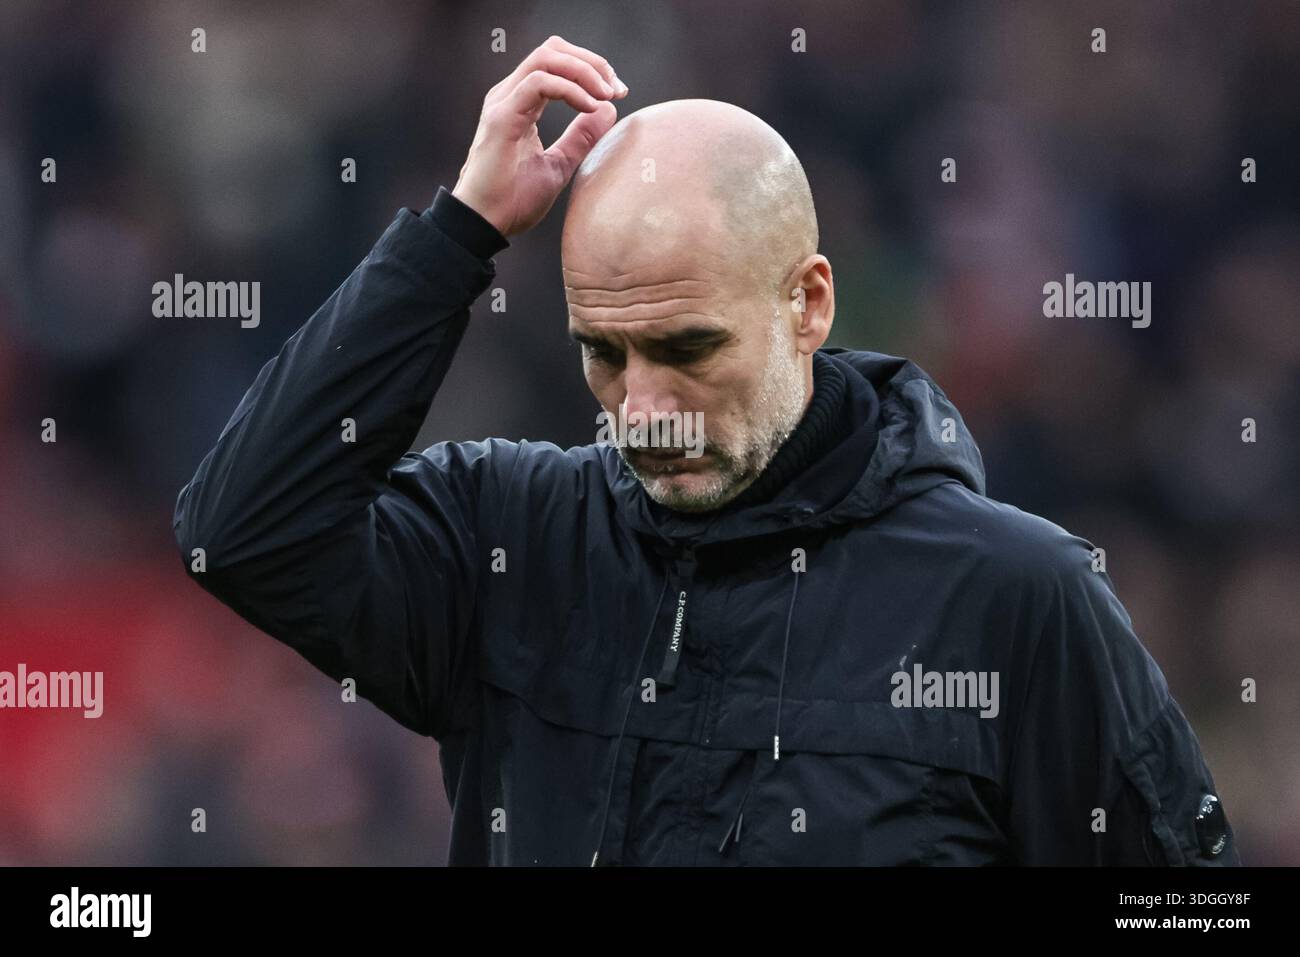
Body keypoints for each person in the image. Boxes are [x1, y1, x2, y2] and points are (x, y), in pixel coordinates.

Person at [174, 36, 1239, 866]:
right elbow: (242, 532)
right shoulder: (509, 540)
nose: (644, 410)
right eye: (604, 353)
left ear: (808, 303)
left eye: (687, 348)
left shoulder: (1016, 600)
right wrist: (457, 236)